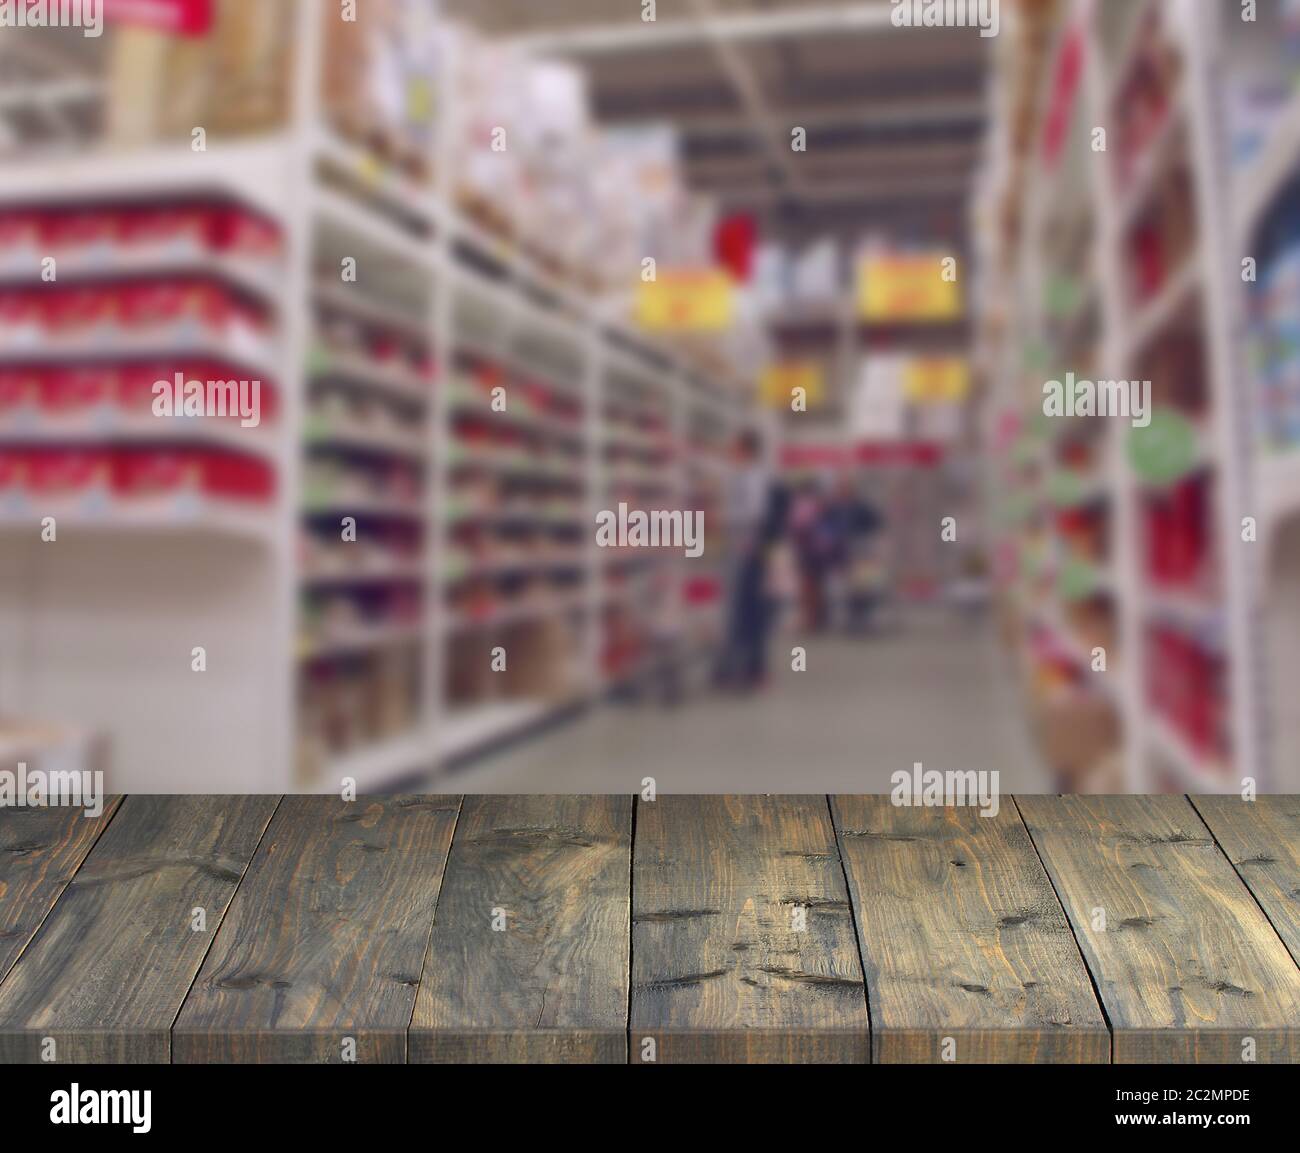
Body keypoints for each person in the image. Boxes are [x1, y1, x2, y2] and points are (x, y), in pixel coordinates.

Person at [715, 429, 773, 690]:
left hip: (749, 554)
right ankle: (743, 668)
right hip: (739, 551)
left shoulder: (754, 479)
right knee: (740, 612)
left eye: (735, 448)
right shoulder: (739, 476)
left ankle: (749, 670)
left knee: (747, 613)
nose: (731, 453)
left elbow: (753, 513)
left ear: (746, 451)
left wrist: (721, 519)